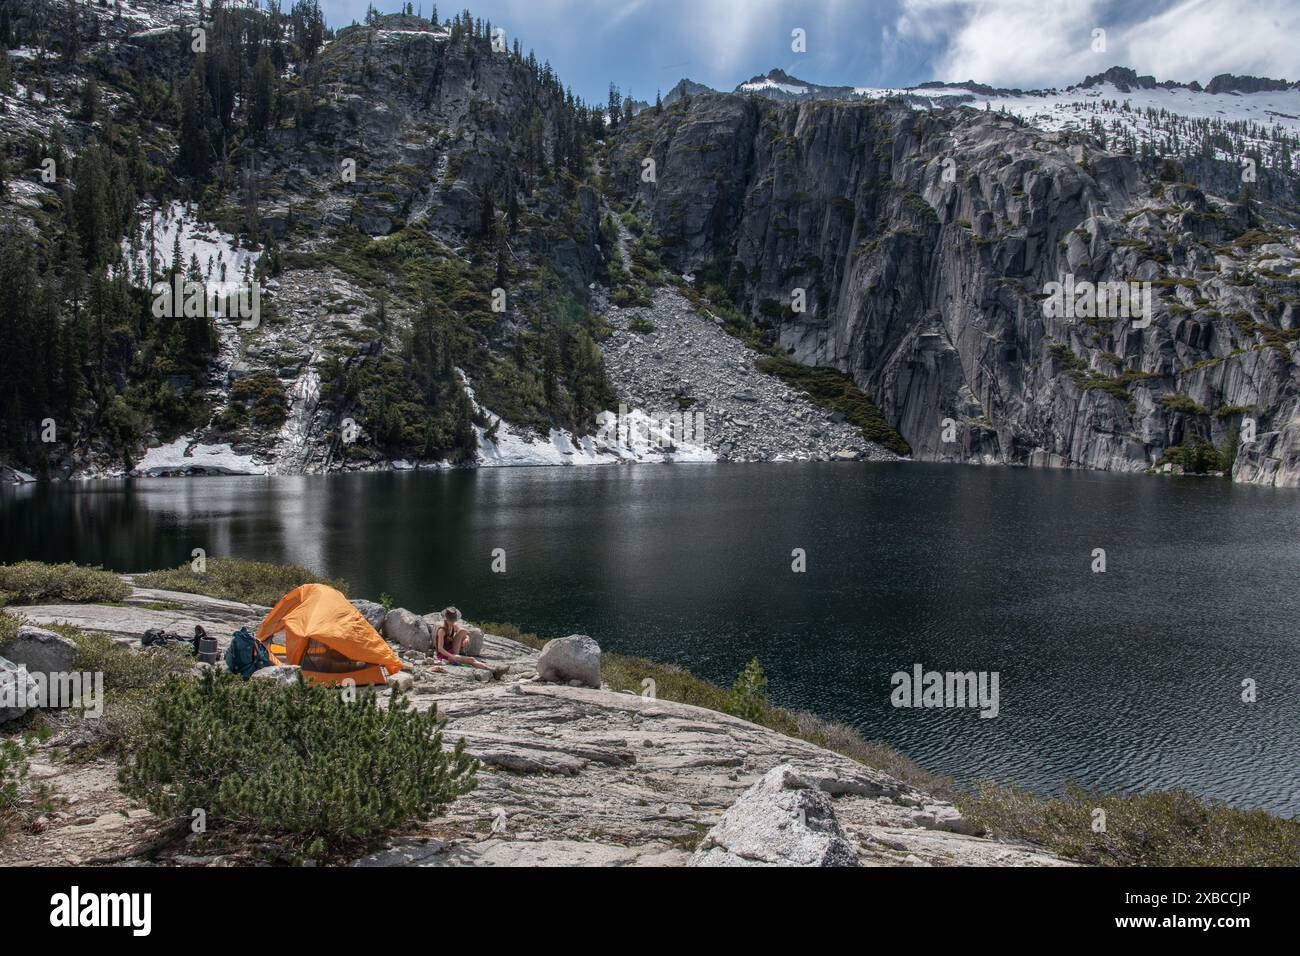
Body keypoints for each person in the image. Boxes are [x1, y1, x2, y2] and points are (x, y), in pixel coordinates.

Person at [434, 607, 506, 677]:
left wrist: (466, 638)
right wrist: (452, 656)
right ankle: (494, 671)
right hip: (444, 655)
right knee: (471, 659)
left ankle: (494, 671)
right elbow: (440, 649)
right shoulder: (442, 630)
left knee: (462, 630)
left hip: (452, 651)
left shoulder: (453, 626)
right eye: (451, 620)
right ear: (446, 619)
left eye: (453, 620)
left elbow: (466, 633)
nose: (452, 622)